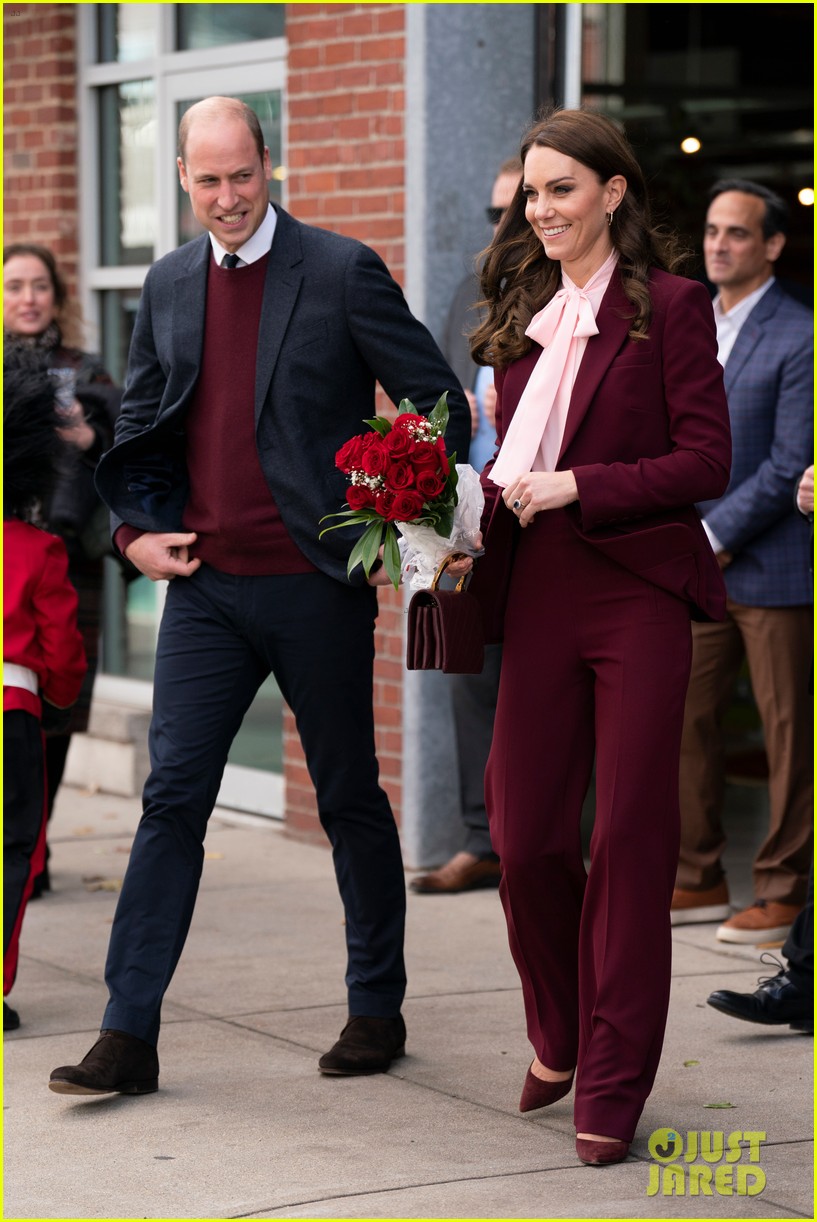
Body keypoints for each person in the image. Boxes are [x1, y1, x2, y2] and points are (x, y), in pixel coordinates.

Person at [48, 97, 470, 1096]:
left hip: (313, 586)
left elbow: (434, 404)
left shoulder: (338, 269)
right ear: (185, 181)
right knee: (171, 799)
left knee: (347, 798)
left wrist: (393, 514)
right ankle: (128, 1029)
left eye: (242, 176)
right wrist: (132, 533)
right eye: (208, 180)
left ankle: (376, 1003)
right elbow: (141, 423)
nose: (227, 198)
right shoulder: (168, 282)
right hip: (203, 593)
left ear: (267, 166)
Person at [466, 107, 731, 1164]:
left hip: (636, 595)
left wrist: (583, 484)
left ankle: (615, 1077)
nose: (542, 211)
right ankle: (560, 1029)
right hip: (536, 594)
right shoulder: (522, 311)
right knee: (524, 837)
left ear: (612, 193)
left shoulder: (671, 307)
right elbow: (499, 460)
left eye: (561, 189)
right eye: (533, 193)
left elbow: (704, 461)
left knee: (626, 840)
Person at [670, 181, 813, 944]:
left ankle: (781, 892)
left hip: (774, 566)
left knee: (788, 734)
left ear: (772, 246)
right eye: (711, 229)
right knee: (686, 720)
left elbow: (791, 461)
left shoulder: (801, 333)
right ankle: (695, 876)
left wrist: (713, 533)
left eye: (736, 233)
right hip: (699, 565)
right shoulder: (690, 319)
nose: (717, 244)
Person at [411, 158, 520, 895]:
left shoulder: (578, 302)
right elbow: (433, 406)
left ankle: (550, 847)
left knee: (549, 688)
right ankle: (482, 839)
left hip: (548, 515)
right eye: (494, 215)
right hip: (475, 521)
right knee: (468, 680)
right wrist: (449, 421)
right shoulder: (467, 294)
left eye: (517, 210)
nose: (503, 228)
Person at [3, 244, 122, 896]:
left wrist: (87, 438)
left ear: (57, 296)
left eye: (39, 286)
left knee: (59, 710)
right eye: (15, 285)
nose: (28, 297)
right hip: (5, 558)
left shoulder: (88, 373)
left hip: (70, 559)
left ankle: (34, 842)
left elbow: (129, 457)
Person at [4, 364, 87, 1030]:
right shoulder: (38, 548)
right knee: (12, 852)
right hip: (13, 712)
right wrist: (57, 695)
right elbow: (61, 649)